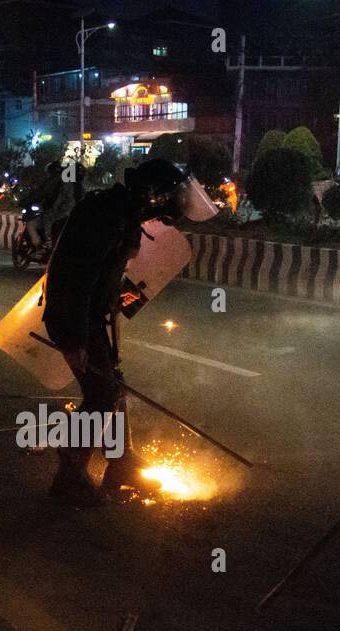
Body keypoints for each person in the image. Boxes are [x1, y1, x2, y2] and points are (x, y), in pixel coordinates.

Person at [42, 157, 218, 505]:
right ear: (152, 195)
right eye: (170, 199)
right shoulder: (104, 217)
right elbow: (77, 280)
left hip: (93, 314)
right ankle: (70, 474)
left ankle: (120, 462)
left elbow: (107, 272)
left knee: (113, 385)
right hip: (73, 316)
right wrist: (76, 339)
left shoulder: (121, 215)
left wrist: (119, 299)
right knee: (102, 393)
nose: (172, 209)